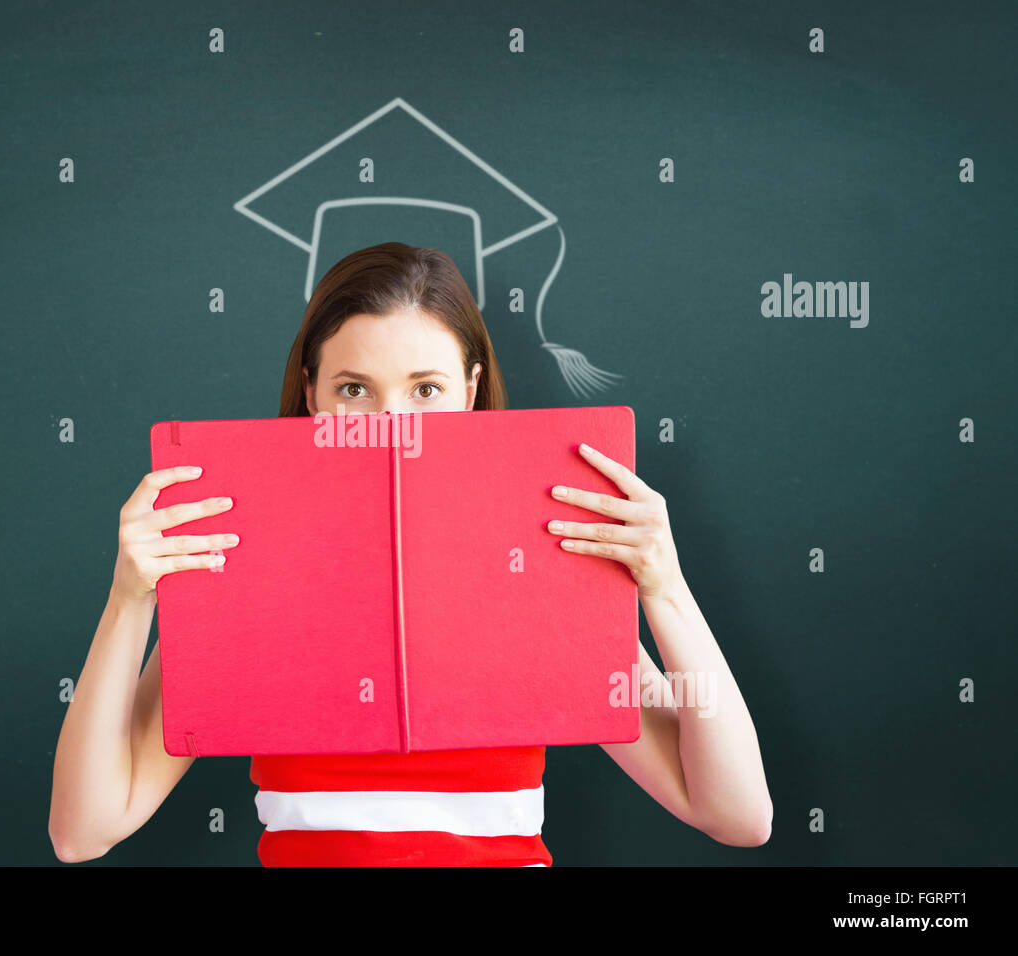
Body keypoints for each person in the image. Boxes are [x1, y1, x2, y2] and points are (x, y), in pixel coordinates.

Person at [47, 242, 773, 865]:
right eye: (355, 388)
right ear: (311, 395)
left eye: (425, 389)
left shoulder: (538, 561)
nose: (391, 426)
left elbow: (737, 814)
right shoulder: (241, 566)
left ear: (470, 388)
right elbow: (82, 831)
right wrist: (128, 599)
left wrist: (666, 590)